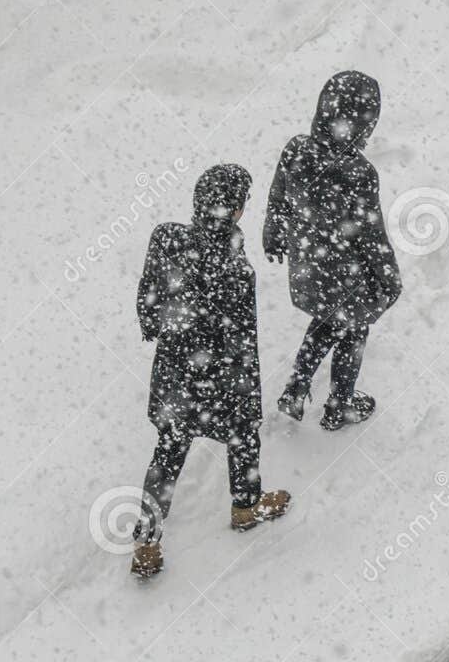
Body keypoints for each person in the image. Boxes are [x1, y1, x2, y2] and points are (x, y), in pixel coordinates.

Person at [131, 163, 291, 579]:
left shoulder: (167, 237)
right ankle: (245, 505)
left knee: (168, 449)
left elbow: (149, 309)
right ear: (236, 210)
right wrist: (246, 394)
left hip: (175, 373)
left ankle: (146, 541)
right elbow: (242, 340)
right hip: (221, 378)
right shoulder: (236, 269)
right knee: (243, 437)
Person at [263, 70, 402, 430]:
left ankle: (295, 389)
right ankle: (341, 405)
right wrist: (389, 276)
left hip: (308, 267)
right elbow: (371, 234)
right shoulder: (359, 173)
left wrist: (273, 233)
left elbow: (278, 197)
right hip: (347, 276)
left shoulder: (296, 149)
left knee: (324, 320)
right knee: (353, 331)